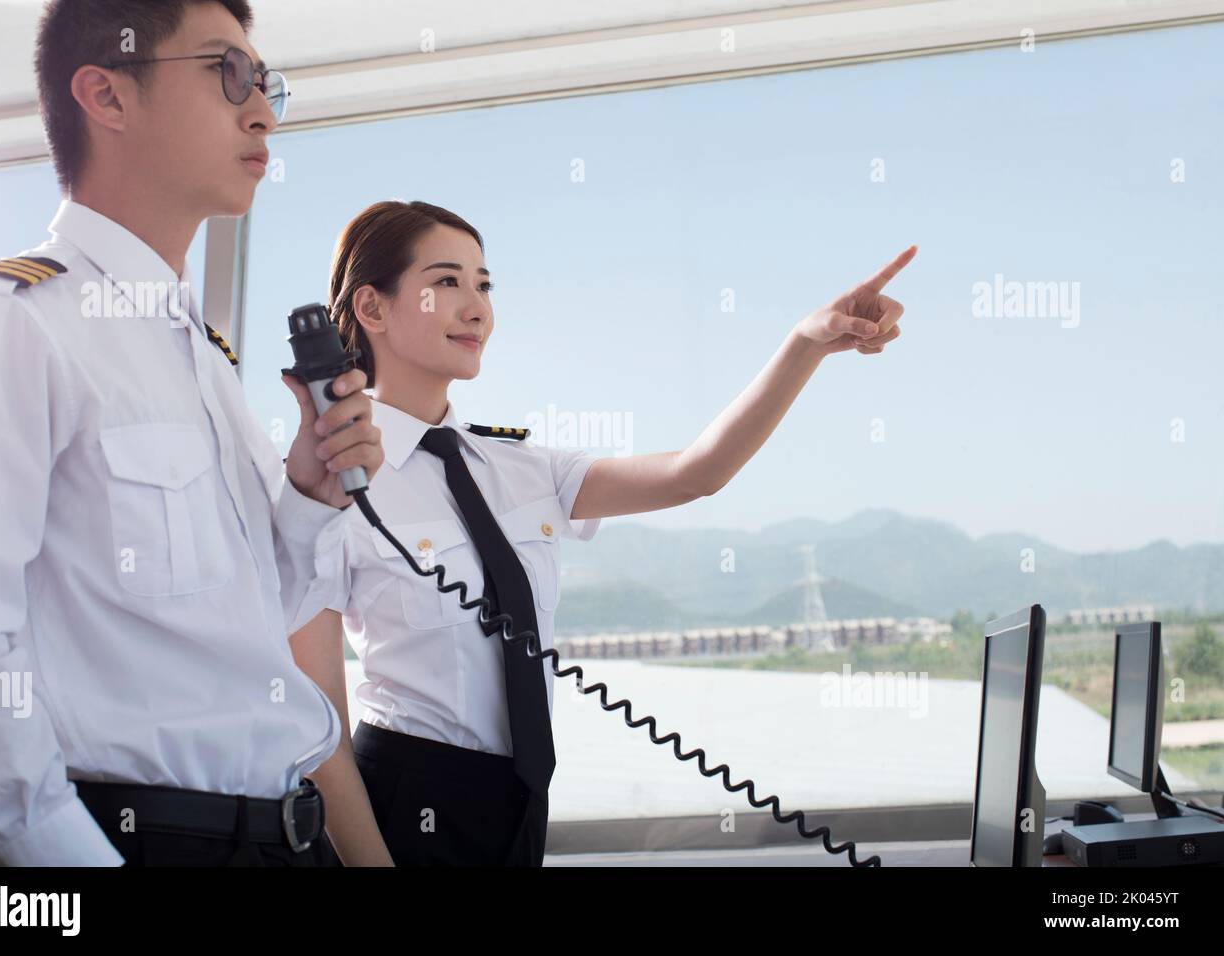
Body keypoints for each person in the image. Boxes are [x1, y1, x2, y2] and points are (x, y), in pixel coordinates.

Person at [289, 200, 914, 866]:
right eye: (447, 282)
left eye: (482, 284)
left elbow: (696, 472)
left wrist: (806, 344)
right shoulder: (326, 485)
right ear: (373, 308)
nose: (476, 307)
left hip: (522, 798)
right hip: (404, 804)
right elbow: (317, 717)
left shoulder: (520, 465)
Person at [0, 0, 384, 866]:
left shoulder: (204, 355)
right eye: (228, 75)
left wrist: (306, 498)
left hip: (283, 836)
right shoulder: (9, 323)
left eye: (267, 85)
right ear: (106, 95)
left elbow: (246, 620)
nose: (261, 111)